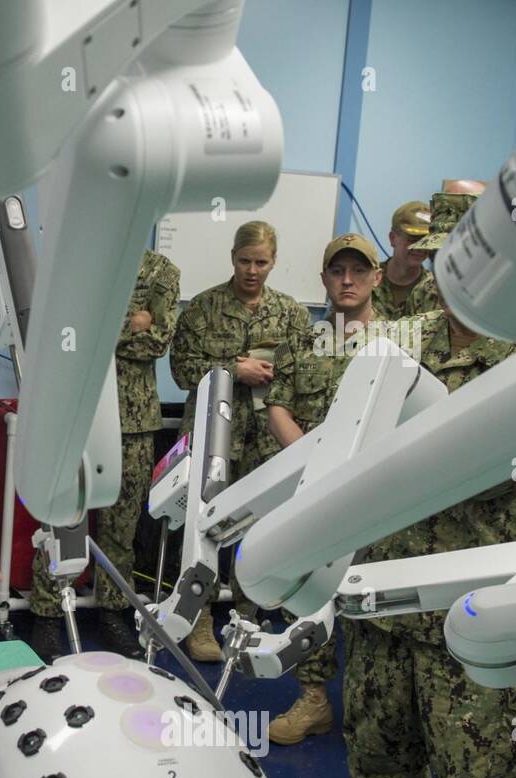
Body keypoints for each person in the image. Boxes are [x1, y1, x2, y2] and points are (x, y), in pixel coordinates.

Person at [312, 193, 516, 778]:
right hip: (389, 606)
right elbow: (346, 443)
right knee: (378, 771)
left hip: (481, 625)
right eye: (446, 257)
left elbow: (502, 468)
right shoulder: (390, 343)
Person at [27, 249, 180, 662]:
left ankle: (113, 612)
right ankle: (47, 613)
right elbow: (61, 333)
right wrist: (128, 323)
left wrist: (99, 332)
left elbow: (157, 341)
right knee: (61, 518)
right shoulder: (75, 257)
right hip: (75, 411)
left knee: (122, 525)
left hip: (133, 419)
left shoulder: (161, 271)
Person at [169, 220, 310, 661]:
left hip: (267, 442)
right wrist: (233, 368)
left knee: (260, 527)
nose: (252, 270)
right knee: (205, 527)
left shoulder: (291, 313)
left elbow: (303, 374)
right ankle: (201, 619)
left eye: (261, 263)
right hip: (215, 439)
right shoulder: (203, 308)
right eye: (245, 261)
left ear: (274, 263)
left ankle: (251, 616)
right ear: (233, 258)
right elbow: (181, 370)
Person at [265, 233, 384, 744]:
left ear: (376, 278)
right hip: (315, 488)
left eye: (359, 271)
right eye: (338, 271)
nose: (348, 280)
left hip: (378, 491)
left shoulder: (398, 344)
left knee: (373, 600)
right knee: (311, 594)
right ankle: (314, 700)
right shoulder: (302, 341)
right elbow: (277, 408)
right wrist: (319, 465)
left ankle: (375, 711)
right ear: (325, 280)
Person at [370, 201, 439, 319]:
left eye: (426, 240)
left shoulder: (435, 291)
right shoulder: (366, 281)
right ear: (393, 238)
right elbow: (340, 322)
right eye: (413, 239)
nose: (420, 247)